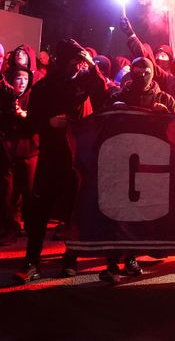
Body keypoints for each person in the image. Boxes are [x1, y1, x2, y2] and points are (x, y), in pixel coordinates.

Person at [13, 39, 107, 284]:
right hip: (50, 155)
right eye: (73, 62)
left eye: (79, 62)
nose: (77, 67)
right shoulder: (45, 87)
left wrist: (90, 62)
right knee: (39, 211)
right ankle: (32, 261)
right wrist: (49, 123)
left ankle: (70, 259)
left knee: (73, 211)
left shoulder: (85, 81)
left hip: (76, 159)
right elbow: (31, 122)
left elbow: (103, 90)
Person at [97, 57, 175, 283]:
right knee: (117, 213)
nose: (142, 76)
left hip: (152, 167)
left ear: (153, 74)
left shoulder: (166, 99)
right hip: (121, 164)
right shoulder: (119, 96)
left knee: (141, 214)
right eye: (137, 71)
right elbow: (101, 125)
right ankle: (112, 263)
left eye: (147, 72)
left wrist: (167, 117)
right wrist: (113, 111)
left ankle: (131, 257)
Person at [0, 66, 37, 245]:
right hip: (8, 151)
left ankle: (30, 226)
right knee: (9, 192)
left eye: (25, 78)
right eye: (18, 78)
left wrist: (25, 116)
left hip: (29, 150)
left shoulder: (33, 97)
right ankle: (10, 227)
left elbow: (39, 121)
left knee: (29, 191)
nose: (22, 82)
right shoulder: (6, 97)